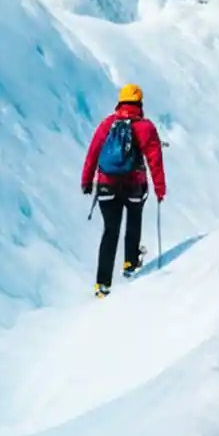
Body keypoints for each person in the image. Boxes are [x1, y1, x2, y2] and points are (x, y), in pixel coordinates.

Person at [81, 83, 166, 298]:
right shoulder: (145, 128)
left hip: (106, 185)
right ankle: (130, 262)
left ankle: (102, 284)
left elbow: (93, 152)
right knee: (134, 220)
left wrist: (87, 180)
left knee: (110, 231)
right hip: (134, 185)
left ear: (120, 102)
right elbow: (155, 161)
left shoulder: (108, 124)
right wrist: (160, 189)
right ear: (140, 103)